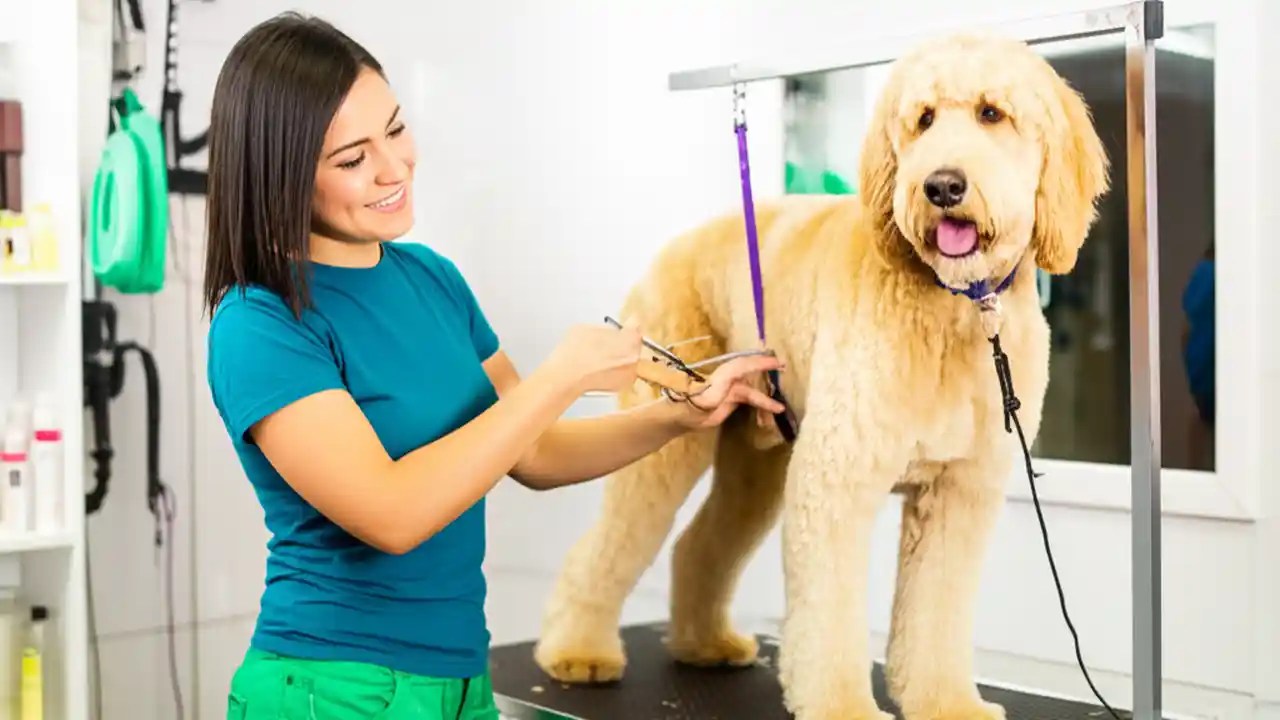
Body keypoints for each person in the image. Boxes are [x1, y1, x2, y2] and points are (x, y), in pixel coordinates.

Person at [202, 12, 785, 720]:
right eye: (353, 159)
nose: (394, 168)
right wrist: (559, 378)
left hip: (460, 686)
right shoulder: (258, 324)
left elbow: (531, 449)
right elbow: (392, 513)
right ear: (283, 177)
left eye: (394, 129)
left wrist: (680, 417)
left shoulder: (432, 279)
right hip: (331, 689)